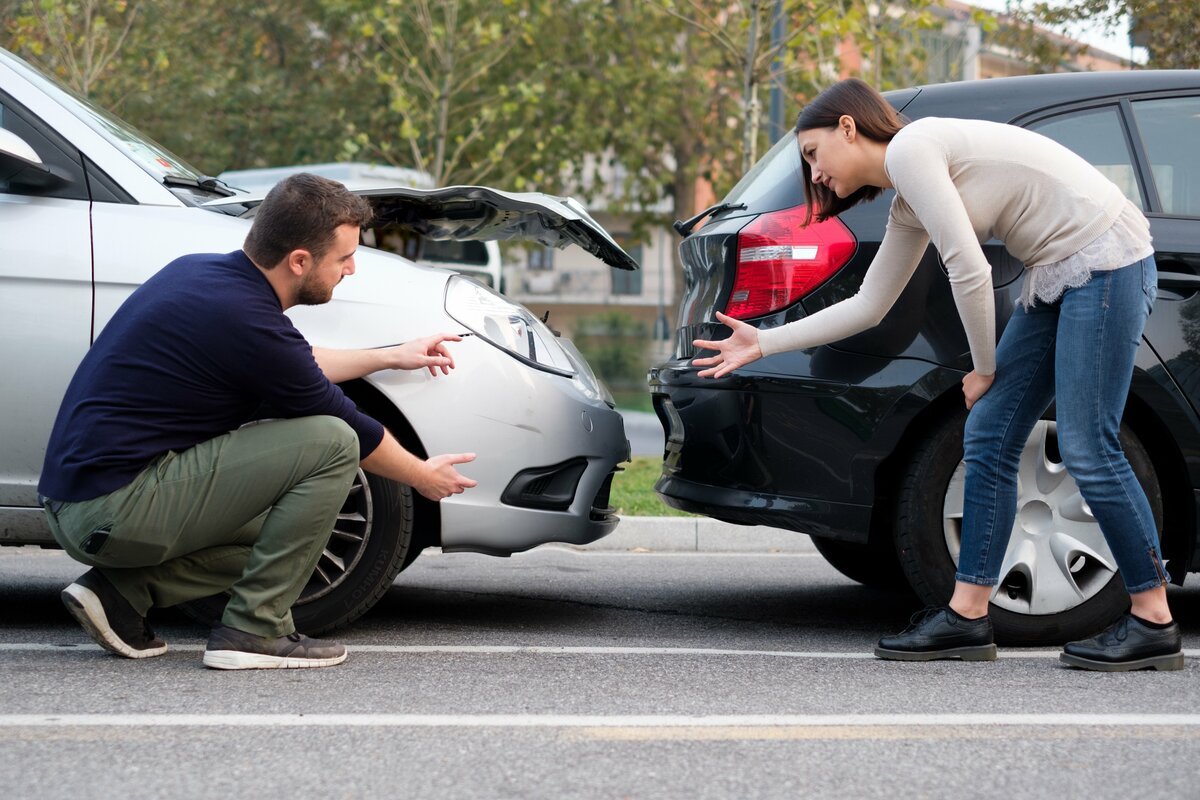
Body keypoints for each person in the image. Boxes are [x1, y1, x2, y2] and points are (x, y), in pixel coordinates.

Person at [693, 78, 1181, 672]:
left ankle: (1153, 620)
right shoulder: (908, 197)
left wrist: (982, 369)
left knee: (1086, 443)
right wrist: (764, 342)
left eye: (814, 154)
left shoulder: (912, 149)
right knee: (991, 433)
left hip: (1106, 263)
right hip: (1061, 273)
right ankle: (968, 616)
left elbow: (970, 272)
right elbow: (870, 304)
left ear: (849, 127)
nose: (814, 174)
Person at [38, 172, 477, 670]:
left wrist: (391, 356)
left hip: (85, 502)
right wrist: (423, 476)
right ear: (299, 261)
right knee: (332, 440)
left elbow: (295, 360)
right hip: (112, 509)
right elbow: (348, 423)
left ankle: (120, 594)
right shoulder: (245, 320)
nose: (352, 269)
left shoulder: (203, 275)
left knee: (291, 531)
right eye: (344, 258)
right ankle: (253, 631)